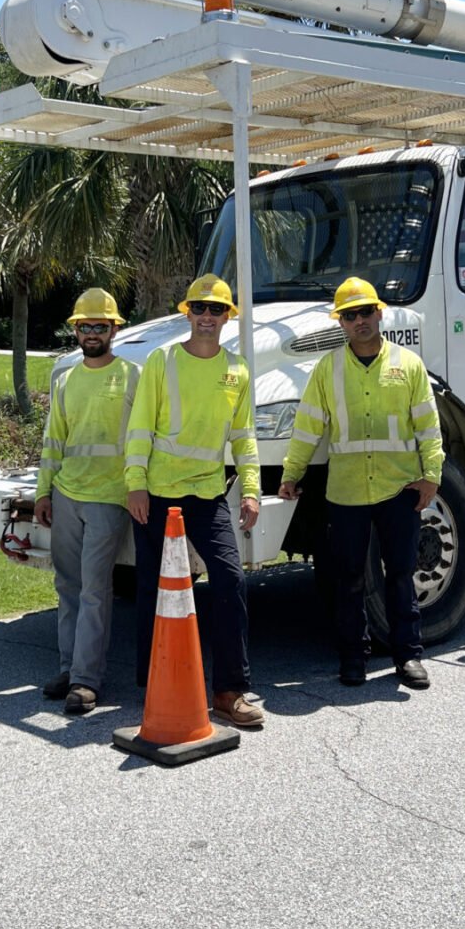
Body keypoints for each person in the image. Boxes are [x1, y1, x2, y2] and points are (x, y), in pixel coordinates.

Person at [280, 276, 443, 690]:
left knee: (402, 575)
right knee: (349, 579)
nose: (359, 321)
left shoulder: (408, 365)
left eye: (365, 312)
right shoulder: (327, 369)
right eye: (350, 316)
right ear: (341, 323)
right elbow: (307, 429)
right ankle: (354, 658)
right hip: (347, 493)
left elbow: (428, 426)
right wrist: (291, 475)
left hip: (399, 489)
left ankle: (409, 658)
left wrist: (431, 477)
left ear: (379, 313)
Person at [125, 274, 264, 730]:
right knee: (153, 589)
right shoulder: (161, 361)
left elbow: (244, 438)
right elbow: (141, 426)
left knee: (229, 581)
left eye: (216, 310)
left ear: (228, 316)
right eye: (199, 309)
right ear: (188, 313)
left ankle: (230, 691)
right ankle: (154, 682)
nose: (207, 317)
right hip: (160, 493)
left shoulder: (238, 370)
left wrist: (249, 488)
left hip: (207, 493)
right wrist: (136, 483)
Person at [34, 289, 140, 717]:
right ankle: (68, 668)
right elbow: (53, 439)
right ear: (75, 330)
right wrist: (44, 490)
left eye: (101, 325)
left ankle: (85, 681)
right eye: (85, 326)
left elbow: (141, 438)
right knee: (68, 587)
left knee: (96, 589)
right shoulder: (66, 379)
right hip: (67, 494)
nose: (92, 332)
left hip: (109, 497)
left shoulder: (133, 376)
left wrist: (137, 487)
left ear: (115, 329)